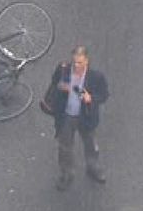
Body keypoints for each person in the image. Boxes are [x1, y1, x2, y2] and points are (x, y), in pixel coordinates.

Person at [45, 46, 109, 189]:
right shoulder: (63, 69)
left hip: (85, 116)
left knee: (90, 144)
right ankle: (67, 174)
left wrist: (90, 98)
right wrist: (61, 86)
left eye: (80, 63)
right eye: (74, 62)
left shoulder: (96, 77)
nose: (76, 66)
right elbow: (55, 81)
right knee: (64, 147)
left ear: (86, 61)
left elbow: (104, 95)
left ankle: (93, 167)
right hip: (66, 116)